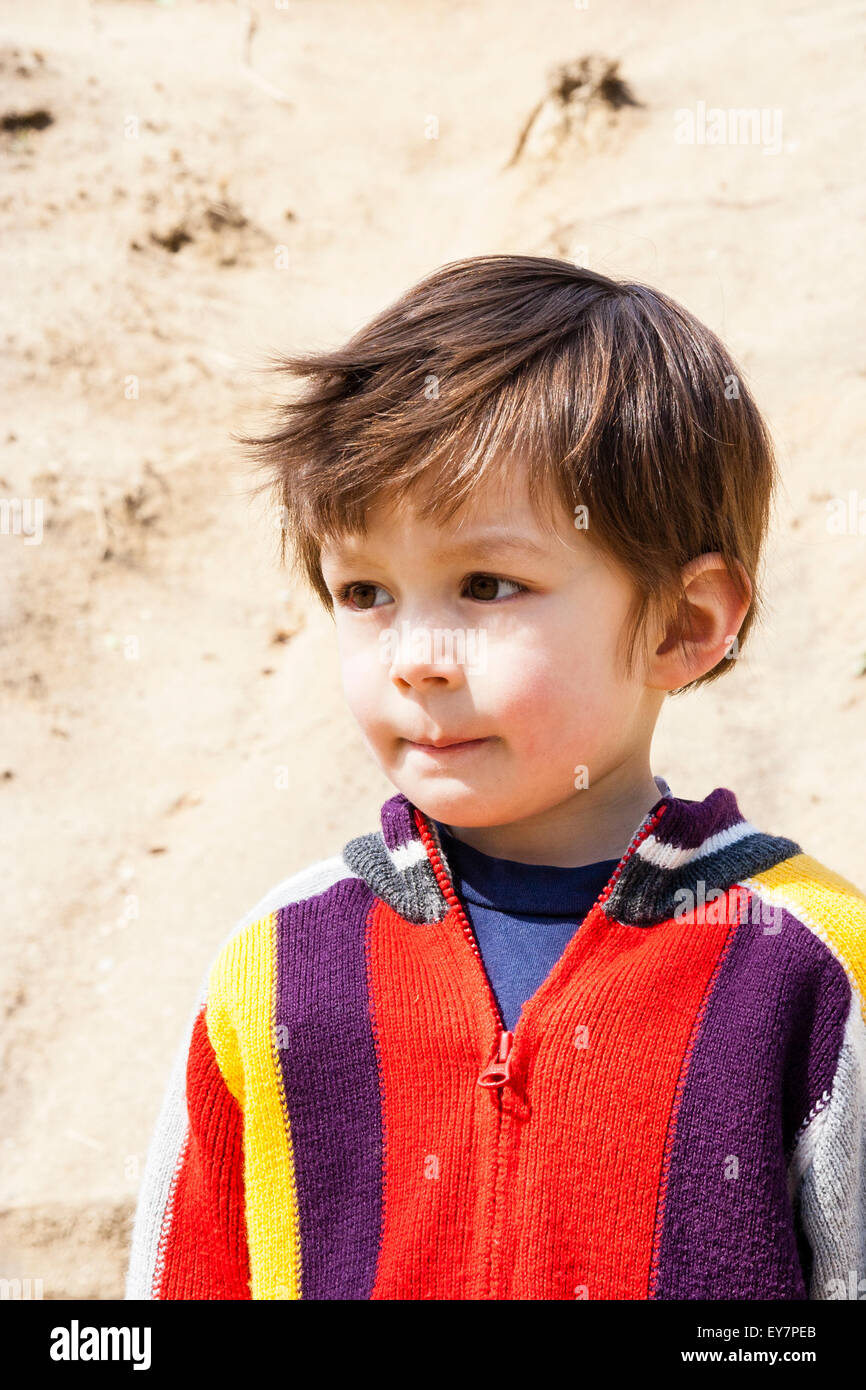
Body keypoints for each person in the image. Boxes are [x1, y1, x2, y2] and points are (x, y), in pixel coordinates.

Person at [125, 254, 865, 1300]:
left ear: (683, 623)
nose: (413, 654)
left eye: (485, 583)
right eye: (366, 589)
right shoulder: (277, 969)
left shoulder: (806, 961)